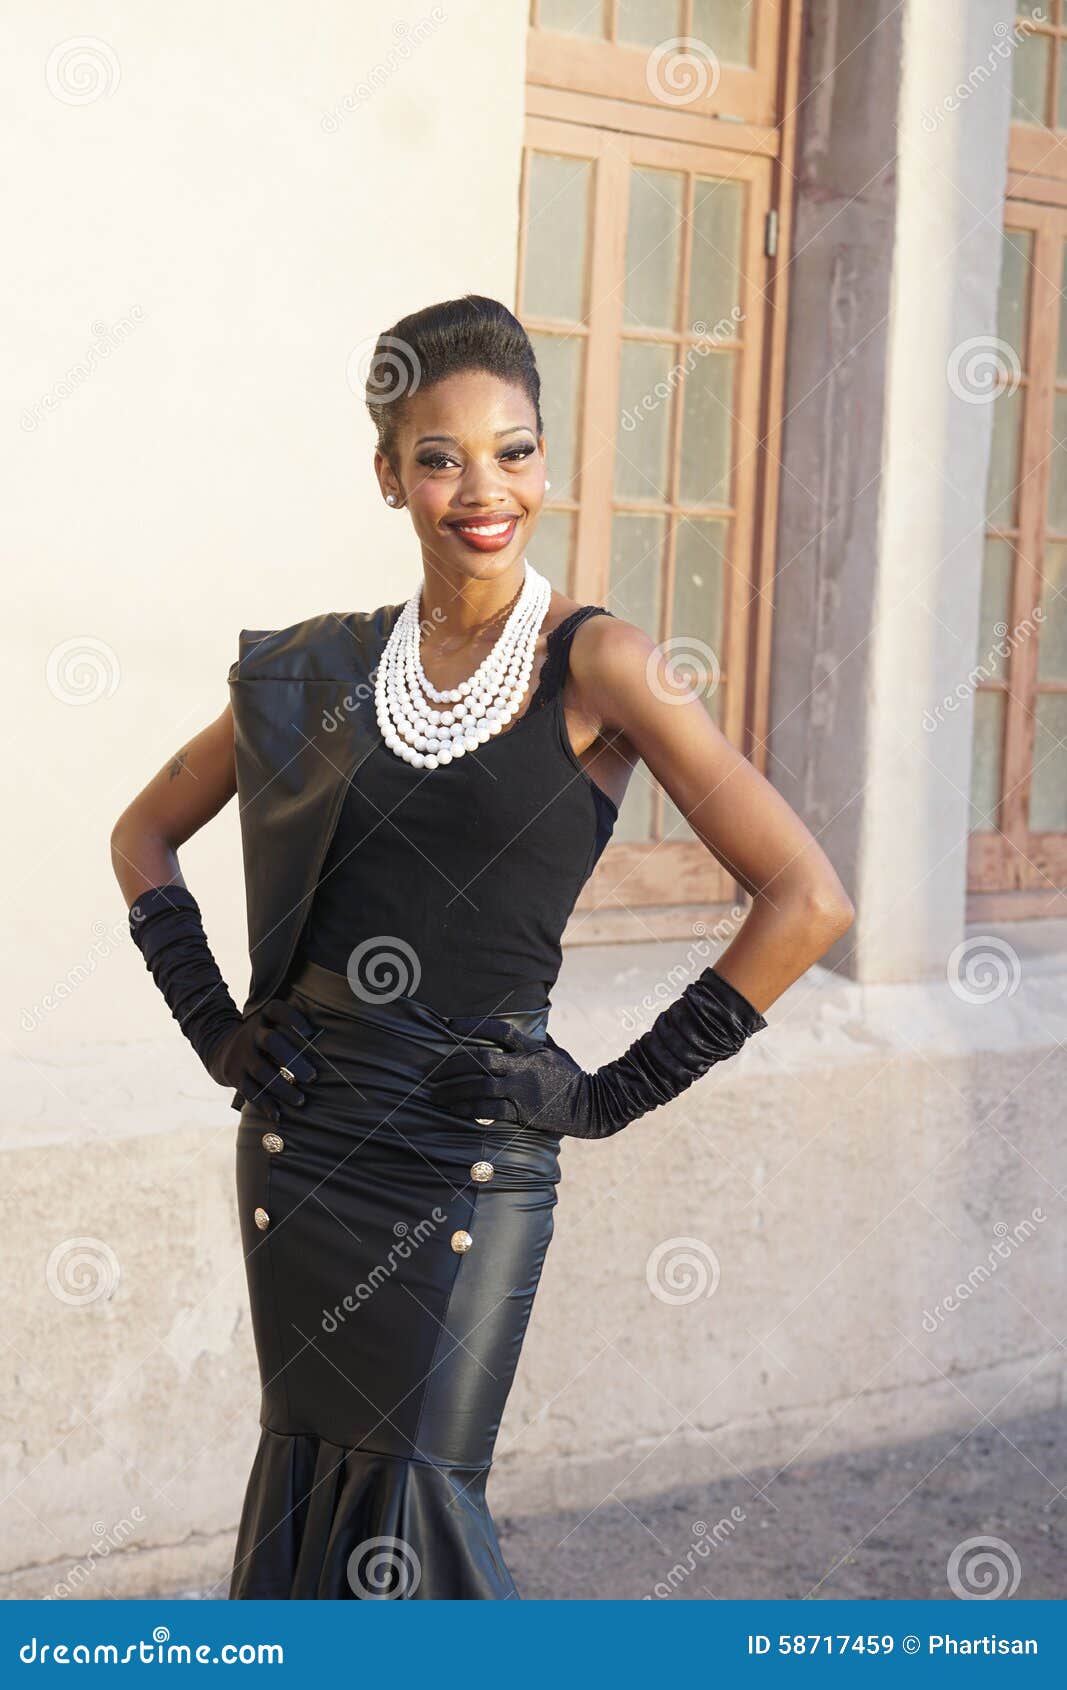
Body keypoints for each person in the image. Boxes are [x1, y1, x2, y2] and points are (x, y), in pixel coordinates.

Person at [110, 294, 854, 1600]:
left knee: (419, 1508)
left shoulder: (601, 663)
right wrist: (219, 1029)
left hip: (468, 1154)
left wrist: (602, 1096)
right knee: (311, 1482)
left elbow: (805, 897)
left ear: (546, 461)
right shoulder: (318, 670)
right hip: (305, 1142)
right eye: (441, 455)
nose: (482, 486)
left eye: (513, 449)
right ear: (390, 472)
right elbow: (142, 834)